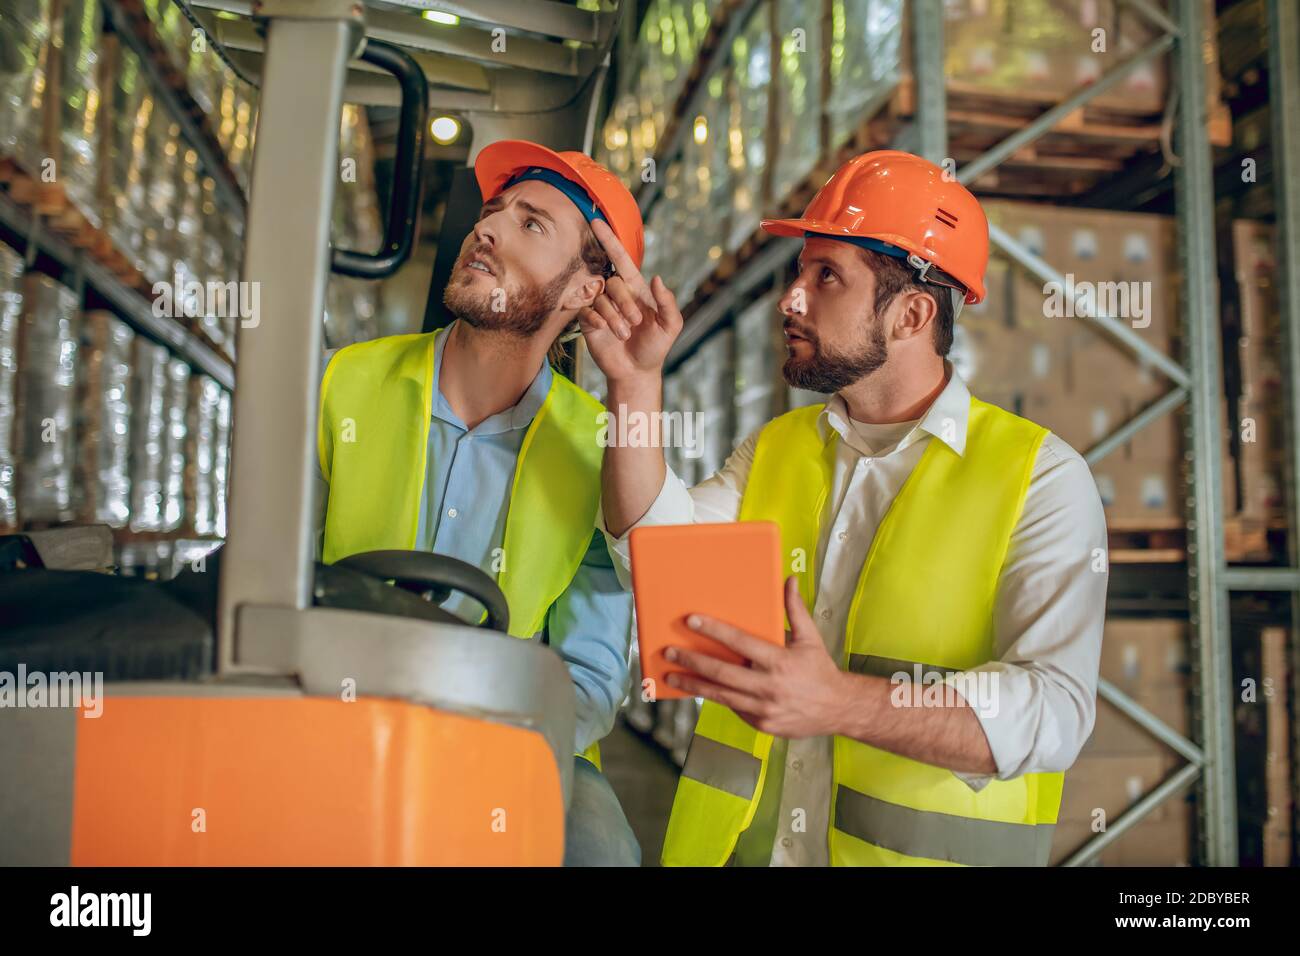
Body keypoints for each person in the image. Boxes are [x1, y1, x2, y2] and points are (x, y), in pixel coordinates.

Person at [581, 149, 1107, 866]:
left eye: (826, 276)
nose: (789, 299)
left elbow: (1054, 712)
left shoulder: (1041, 478)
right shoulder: (778, 448)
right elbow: (656, 556)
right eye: (800, 271)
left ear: (913, 313)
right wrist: (638, 388)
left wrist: (840, 704)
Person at [315, 140, 643, 866]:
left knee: (599, 846)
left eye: (531, 225)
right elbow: (271, 574)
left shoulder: (604, 455)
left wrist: (499, 746)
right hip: (333, 697)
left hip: (507, 726)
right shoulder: (343, 384)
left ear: (585, 292)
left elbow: (588, 677)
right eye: (492, 212)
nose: (485, 229)